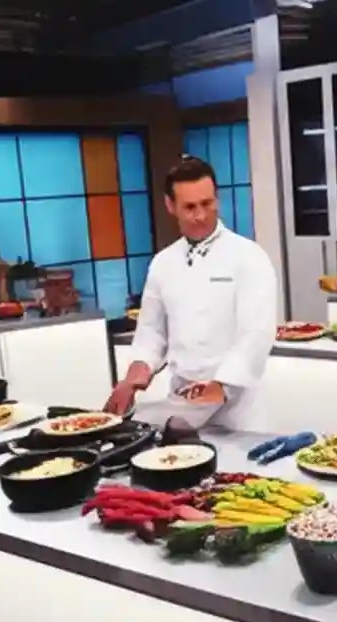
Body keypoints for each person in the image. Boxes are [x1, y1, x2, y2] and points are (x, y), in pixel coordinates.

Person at [104, 155, 278, 430]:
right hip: (183, 404)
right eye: (190, 207)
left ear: (217, 200)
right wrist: (132, 380)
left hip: (237, 408)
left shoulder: (249, 257)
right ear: (170, 206)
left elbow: (257, 333)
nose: (200, 215)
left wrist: (222, 384)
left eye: (207, 204)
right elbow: (151, 332)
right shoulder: (163, 263)